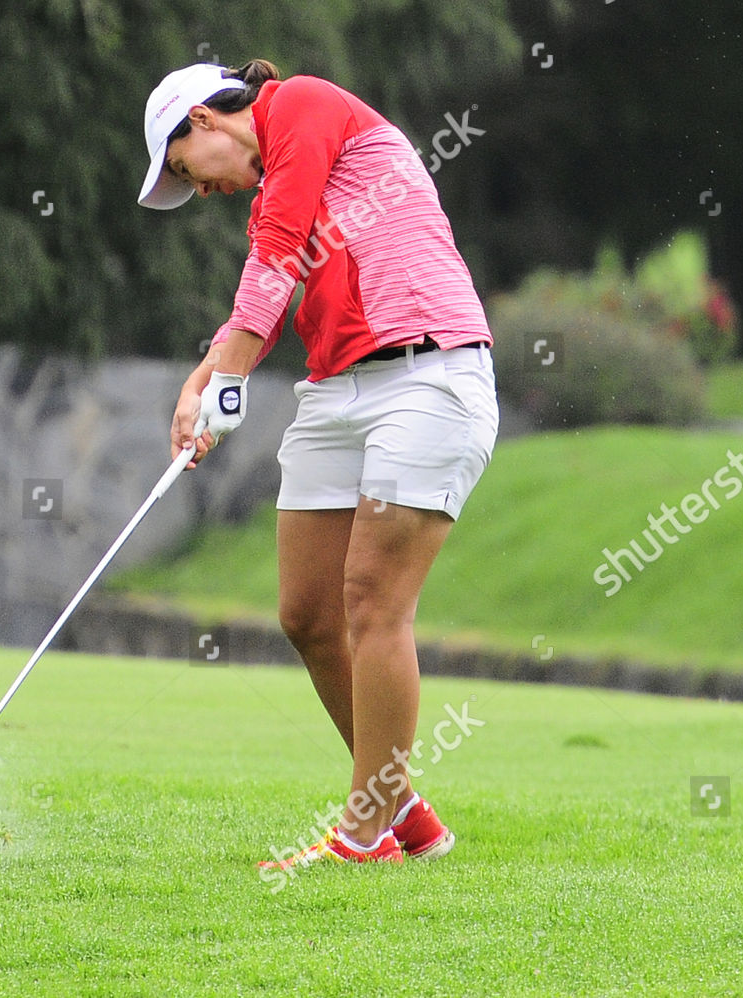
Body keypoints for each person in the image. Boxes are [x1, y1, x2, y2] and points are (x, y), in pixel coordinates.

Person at [138, 61, 499, 865]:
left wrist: (220, 382)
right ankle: (410, 819)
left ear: (202, 119)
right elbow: (264, 295)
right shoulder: (271, 196)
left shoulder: (300, 102)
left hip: (429, 372)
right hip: (337, 391)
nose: (199, 192)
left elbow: (272, 262)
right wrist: (205, 381)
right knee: (307, 614)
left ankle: (363, 836)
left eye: (184, 173)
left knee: (372, 603)